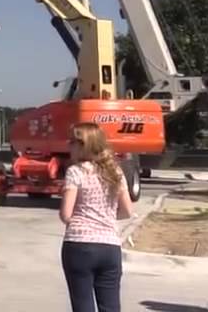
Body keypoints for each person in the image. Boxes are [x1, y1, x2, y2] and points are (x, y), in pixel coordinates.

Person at [60, 122, 132, 312]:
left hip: (80, 244)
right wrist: (106, 217)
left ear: (84, 145)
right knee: (110, 305)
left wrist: (81, 221)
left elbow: (65, 214)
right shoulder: (115, 172)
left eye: (72, 142)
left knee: (83, 304)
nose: (69, 145)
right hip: (110, 245)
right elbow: (127, 211)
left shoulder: (75, 172)